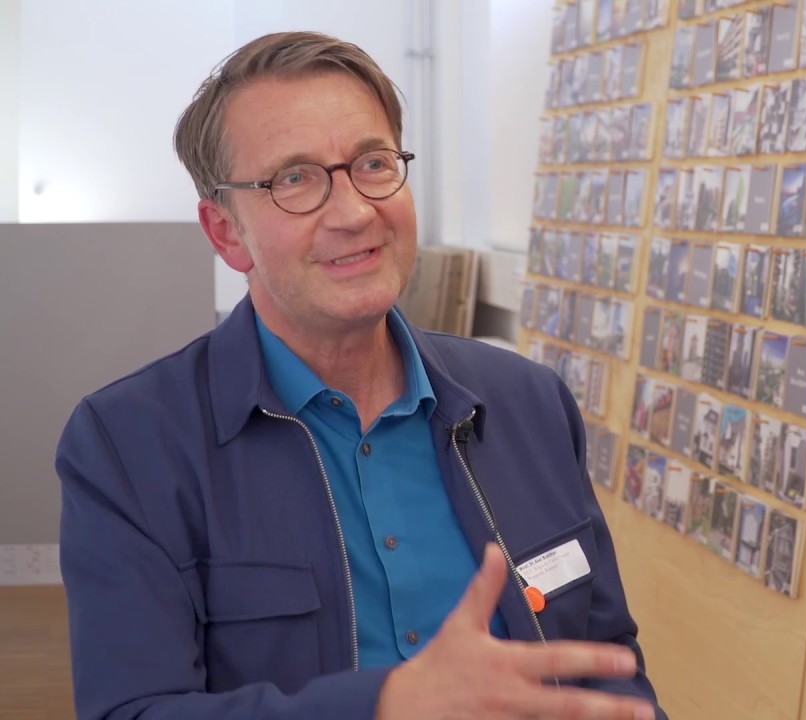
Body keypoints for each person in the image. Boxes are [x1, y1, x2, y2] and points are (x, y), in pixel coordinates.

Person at [55, 31, 663, 720]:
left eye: (374, 163)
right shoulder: (127, 444)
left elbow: (604, 656)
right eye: (294, 179)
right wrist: (384, 704)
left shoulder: (530, 403)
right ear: (226, 232)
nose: (353, 212)